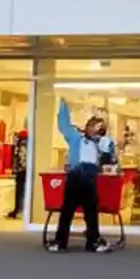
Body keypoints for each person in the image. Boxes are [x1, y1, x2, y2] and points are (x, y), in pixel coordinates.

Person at [49, 100, 116, 254]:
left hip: (89, 178)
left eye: (99, 128)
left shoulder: (101, 143)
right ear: (88, 126)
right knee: (67, 212)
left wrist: (106, 147)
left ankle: (93, 241)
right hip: (75, 176)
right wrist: (63, 105)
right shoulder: (76, 137)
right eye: (94, 126)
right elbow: (64, 125)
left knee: (91, 212)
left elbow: (109, 158)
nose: (96, 130)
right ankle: (61, 242)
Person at [6, 129, 29, 220]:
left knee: (20, 192)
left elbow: (22, 159)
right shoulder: (27, 146)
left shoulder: (21, 147)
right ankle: (20, 210)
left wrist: (16, 169)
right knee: (22, 192)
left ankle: (19, 210)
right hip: (24, 171)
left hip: (22, 172)